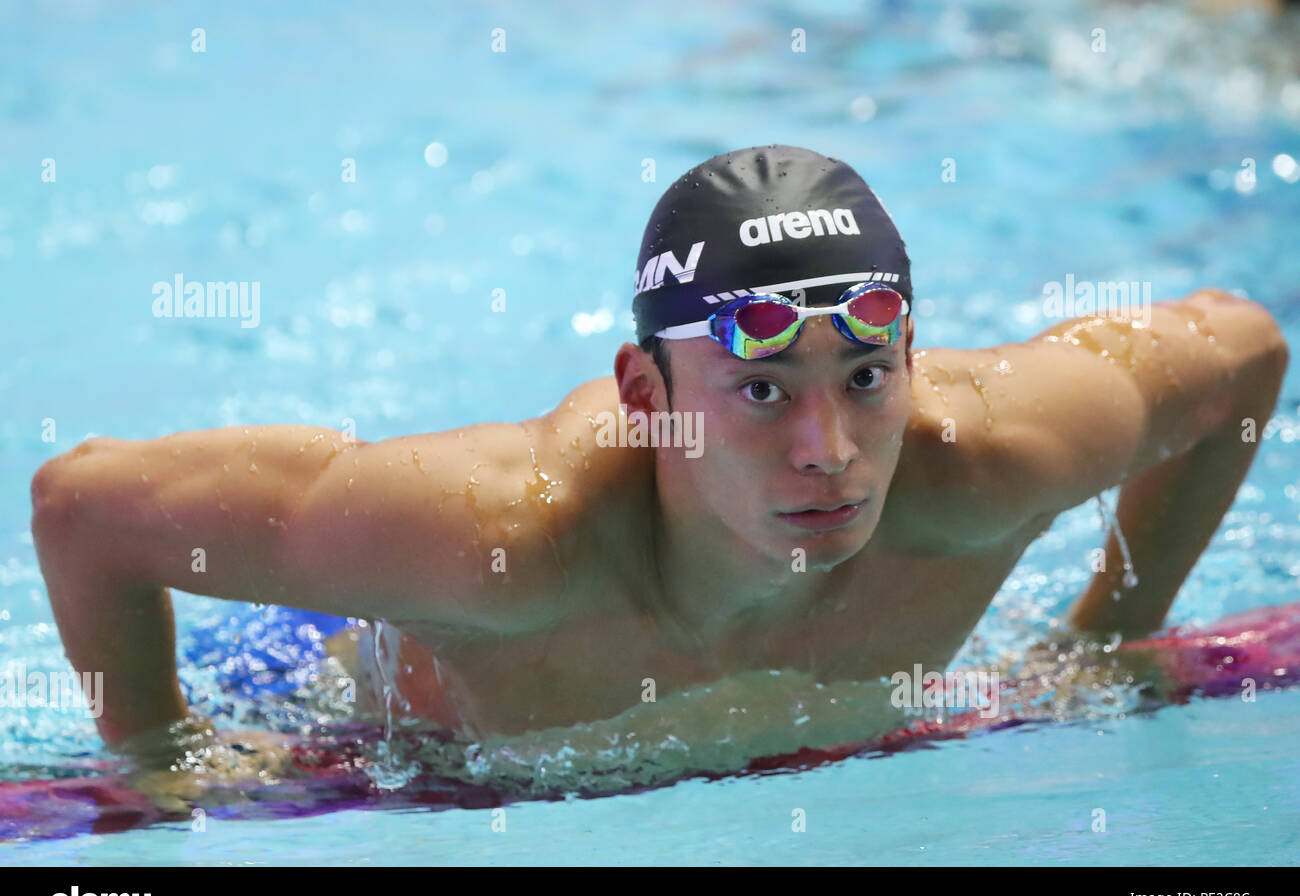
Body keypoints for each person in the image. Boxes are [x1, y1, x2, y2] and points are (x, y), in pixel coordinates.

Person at [29, 144, 1289, 772]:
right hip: (327, 691)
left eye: (865, 377)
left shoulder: (987, 464)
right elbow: (84, 503)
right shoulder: (494, 542)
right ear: (647, 392)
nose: (831, 451)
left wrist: (1098, 633)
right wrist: (160, 773)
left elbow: (1239, 349)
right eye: (758, 388)